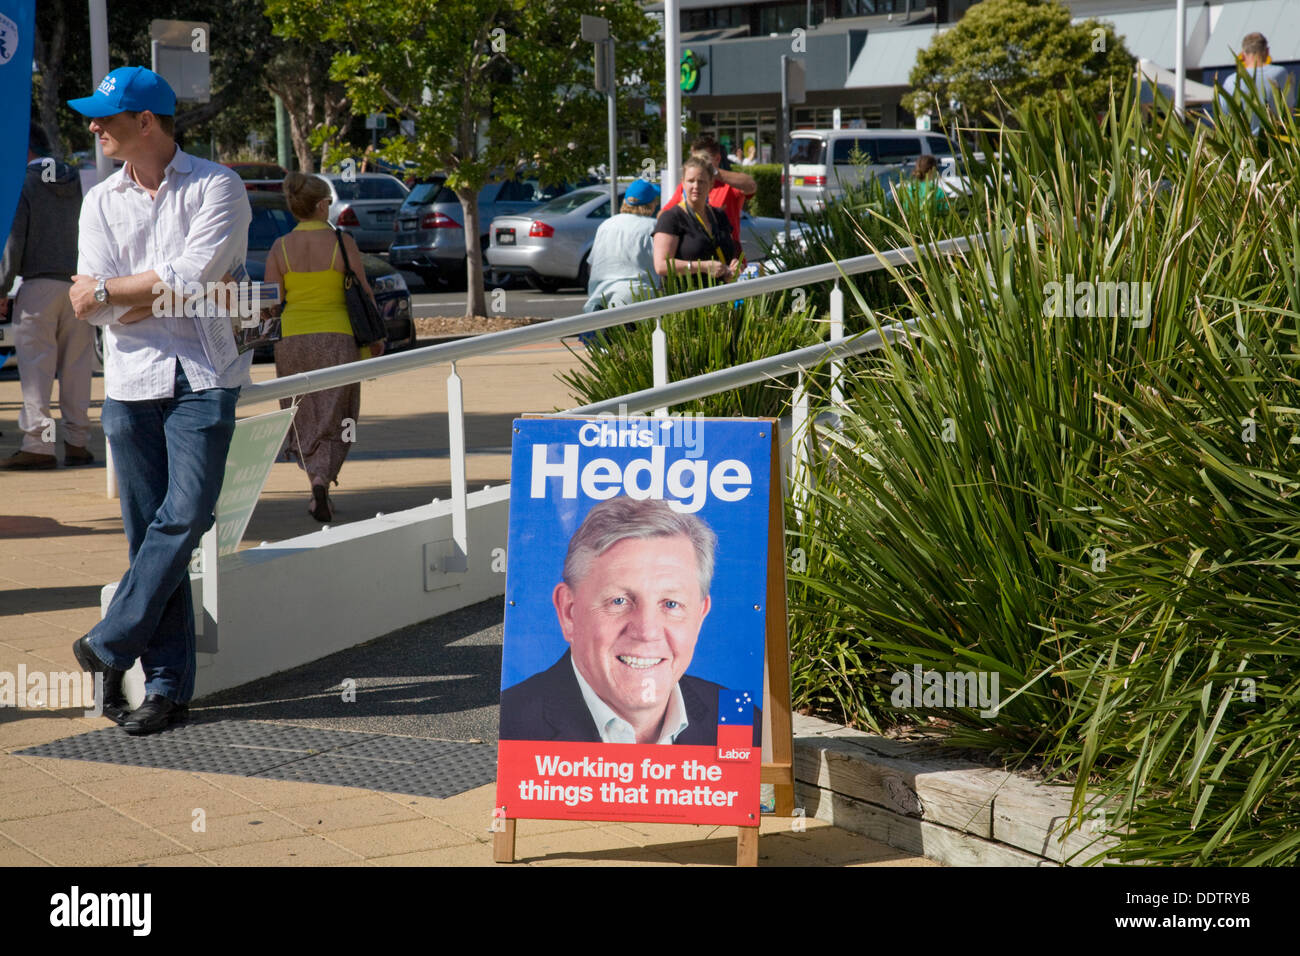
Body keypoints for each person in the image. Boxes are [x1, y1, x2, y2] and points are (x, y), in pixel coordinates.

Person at [65, 66, 252, 735]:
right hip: (130, 383)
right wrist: (132, 295)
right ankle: (165, 686)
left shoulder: (216, 185)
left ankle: (109, 645)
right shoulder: (99, 200)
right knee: (149, 536)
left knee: (187, 517)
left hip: (204, 375)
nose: (93, 128)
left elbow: (193, 279)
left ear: (146, 121)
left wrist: (119, 292)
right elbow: (87, 303)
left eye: (105, 118)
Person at [499, 496, 762, 746]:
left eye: (671, 604)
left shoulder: (739, 717)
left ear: (699, 616)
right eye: (619, 601)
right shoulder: (515, 724)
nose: (647, 631)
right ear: (569, 612)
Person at [263, 172, 383, 522]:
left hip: (293, 340)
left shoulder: (280, 247)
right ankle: (321, 479)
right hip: (337, 339)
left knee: (302, 413)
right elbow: (363, 290)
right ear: (321, 205)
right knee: (338, 413)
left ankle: (313, 477)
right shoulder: (342, 243)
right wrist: (376, 336)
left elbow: (273, 301)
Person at [0, 124, 95, 470]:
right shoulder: (77, 183)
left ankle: (40, 444)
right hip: (79, 285)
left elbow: (15, 240)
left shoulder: (22, 183)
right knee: (77, 369)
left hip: (38, 286)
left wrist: (1, 286)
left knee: (37, 371)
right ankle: (76, 442)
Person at [653, 155, 742, 284]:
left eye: (701, 181)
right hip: (685, 299)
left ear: (711, 184)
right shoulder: (670, 218)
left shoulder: (719, 215)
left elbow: (732, 252)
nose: (696, 186)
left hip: (720, 297)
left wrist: (733, 267)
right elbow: (661, 266)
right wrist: (702, 267)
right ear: (683, 183)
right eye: (691, 181)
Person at [661, 134, 756, 249]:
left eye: (703, 160)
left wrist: (713, 172)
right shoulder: (687, 186)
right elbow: (663, 216)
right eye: (694, 160)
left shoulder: (728, 185)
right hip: (695, 258)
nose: (698, 165)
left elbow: (751, 185)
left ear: (717, 159)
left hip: (727, 258)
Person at [582, 177, 660, 314]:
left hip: (599, 302)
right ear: (652, 203)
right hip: (639, 301)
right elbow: (663, 266)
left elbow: (591, 264)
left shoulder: (606, 225)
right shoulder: (652, 227)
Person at [1216, 32, 1297, 134]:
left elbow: (1225, 114)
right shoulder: (1281, 73)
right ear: (1267, 51)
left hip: (1244, 144)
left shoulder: (1232, 80)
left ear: (1243, 55)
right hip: (1276, 141)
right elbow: (1289, 109)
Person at [895, 153, 948, 219]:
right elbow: (946, 213)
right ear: (931, 170)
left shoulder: (908, 191)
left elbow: (904, 211)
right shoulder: (938, 192)